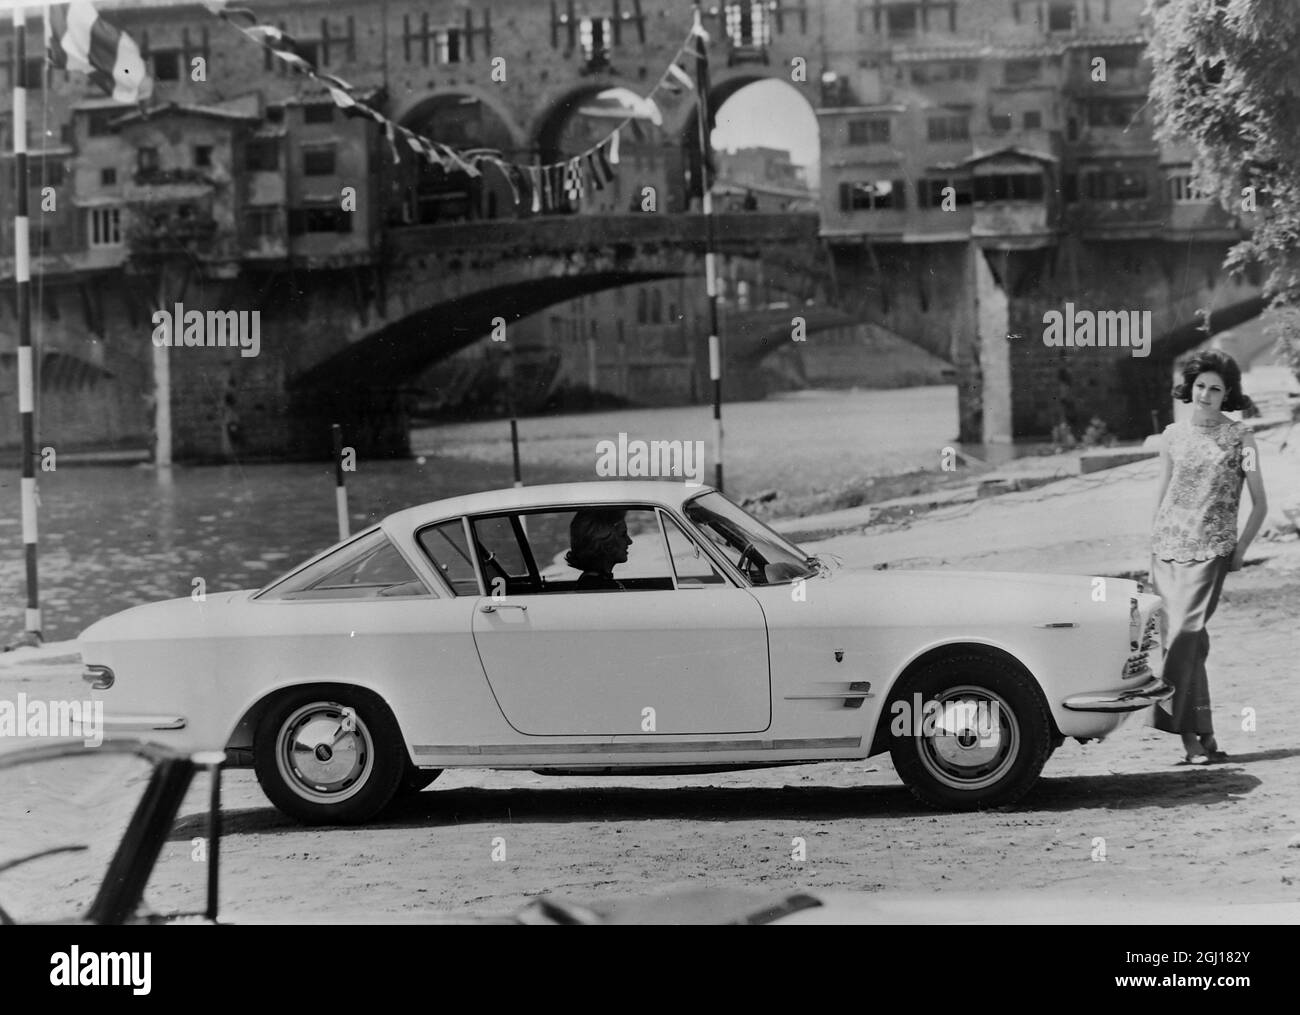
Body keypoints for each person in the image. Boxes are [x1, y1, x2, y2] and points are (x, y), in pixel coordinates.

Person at [1150, 350, 1268, 765]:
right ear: (1190, 388)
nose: (1205, 394)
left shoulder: (1242, 438)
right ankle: (1202, 734)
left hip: (1212, 550)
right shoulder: (1171, 435)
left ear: (1227, 394)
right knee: (1187, 643)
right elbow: (1163, 493)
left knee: (1184, 633)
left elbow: (1260, 504)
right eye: (1200, 385)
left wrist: (1241, 550)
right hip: (1166, 550)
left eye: (1215, 389)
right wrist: (1150, 541)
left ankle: (1186, 733)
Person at [566, 508, 631, 590]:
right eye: (623, 535)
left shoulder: (591, 583)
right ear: (604, 540)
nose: (629, 541)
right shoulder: (602, 588)